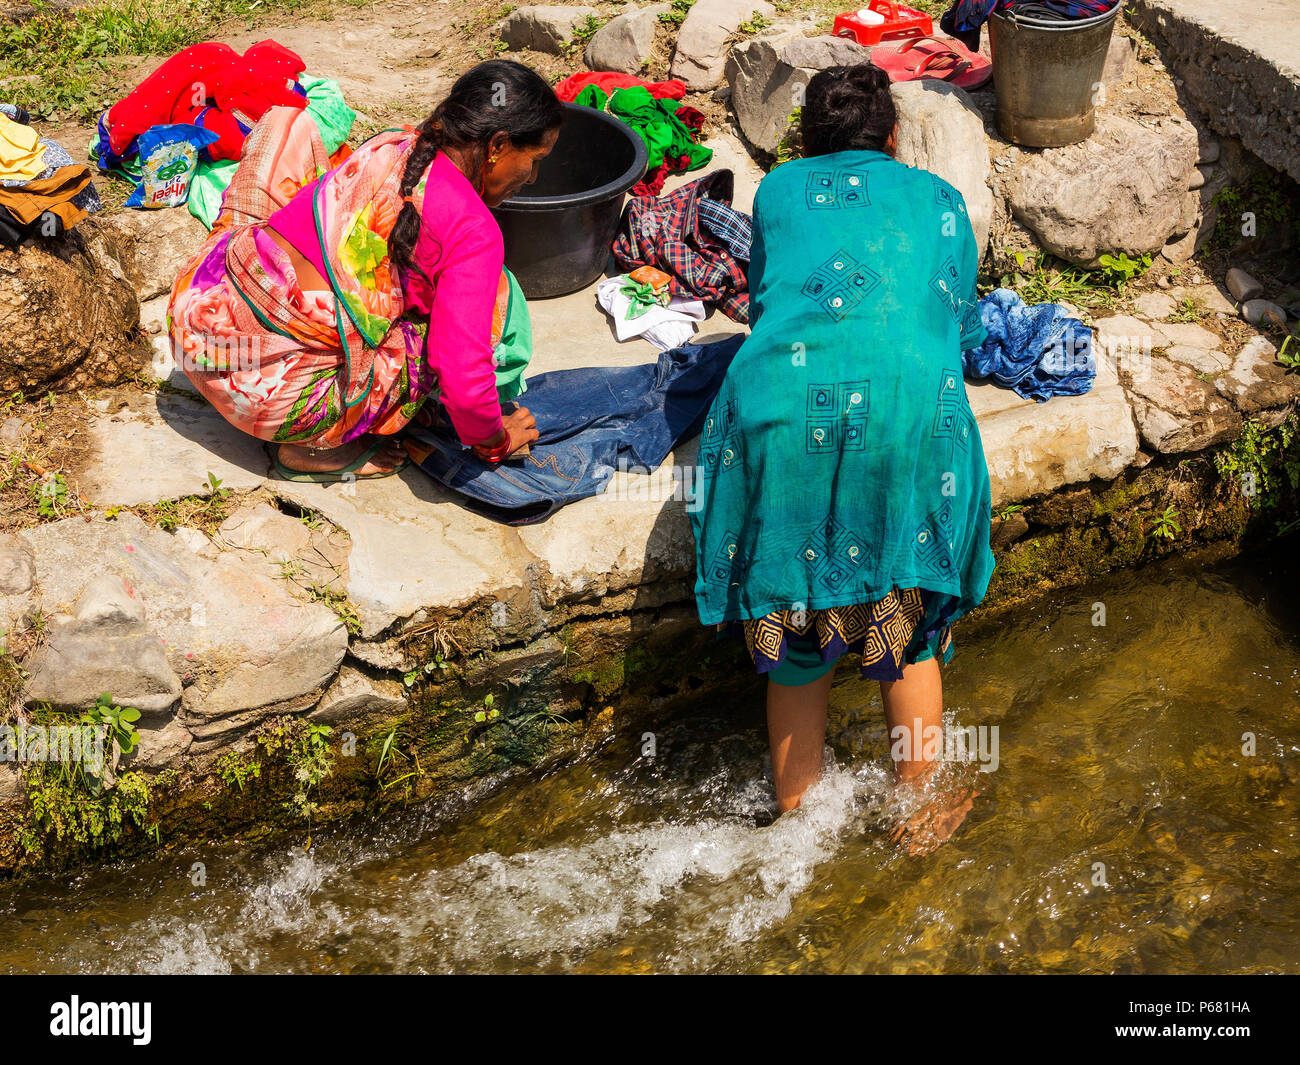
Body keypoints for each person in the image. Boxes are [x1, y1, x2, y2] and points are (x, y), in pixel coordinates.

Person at [688, 64, 995, 851]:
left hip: (780, 415)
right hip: (902, 415)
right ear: (892, 137)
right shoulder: (940, 202)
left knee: (795, 627)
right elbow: (949, 314)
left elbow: (766, 299)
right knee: (906, 629)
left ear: (807, 141)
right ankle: (919, 817)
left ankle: (795, 829)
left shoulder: (780, 192)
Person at [169, 60, 561, 480]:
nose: (534, 176)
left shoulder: (391, 147)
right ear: (498, 145)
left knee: (293, 179)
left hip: (195, 321)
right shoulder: (474, 232)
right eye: (535, 159)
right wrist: (495, 440)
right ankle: (312, 450)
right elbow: (463, 375)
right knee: (499, 301)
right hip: (264, 400)